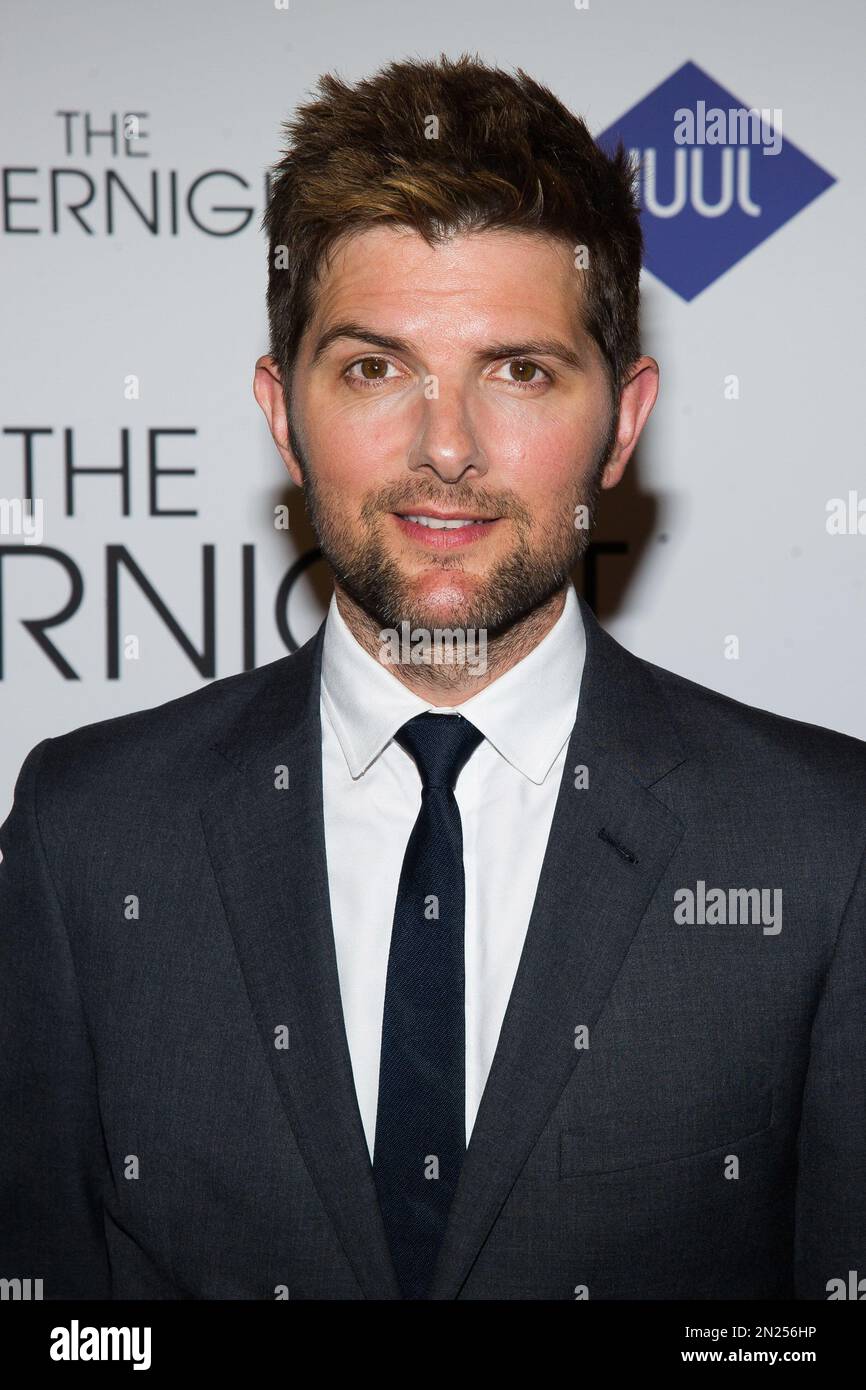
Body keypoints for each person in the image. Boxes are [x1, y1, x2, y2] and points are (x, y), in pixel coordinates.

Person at [1, 53, 864, 1301]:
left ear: (621, 423)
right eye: (372, 368)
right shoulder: (87, 834)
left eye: (517, 371)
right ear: (280, 413)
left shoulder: (821, 844)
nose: (444, 447)